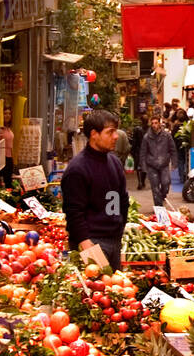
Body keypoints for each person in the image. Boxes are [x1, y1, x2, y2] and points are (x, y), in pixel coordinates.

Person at [60, 110, 129, 269]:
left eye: (116, 131)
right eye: (110, 132)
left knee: (115, 289)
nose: (116, 136)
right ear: (94, 134)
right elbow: (73, 212)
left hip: (114, 240)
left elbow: (123, 200)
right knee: (95, 291)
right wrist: (86, 244)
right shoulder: (77, 169)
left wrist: (119, 229)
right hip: (92, 242)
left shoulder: (114, 162)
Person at [139, 115, 177, 208]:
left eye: (156, 123)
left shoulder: (167, 136)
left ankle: (163, 196)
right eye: (152, 123)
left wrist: (174, 163)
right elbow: (143, 152)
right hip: (151, 165)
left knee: (166, 183)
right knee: (155, 187)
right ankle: (159, 208)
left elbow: (173, 149)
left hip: (164, 164)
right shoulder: (147, 137)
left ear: (160, 123)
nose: (154, 125)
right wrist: (143, 166)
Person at [0, 106, 16, 184]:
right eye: (5, 113)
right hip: (2, 158)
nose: (7, 115)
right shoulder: (0, 129)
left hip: (9, 158)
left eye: (9, 113)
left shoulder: (8, 128)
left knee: (9, 181)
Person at [131, 115, 148, 189]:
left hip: (139, 150)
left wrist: (132, 150)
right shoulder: (150, 129)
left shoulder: (137, 129)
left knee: (139, 166)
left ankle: (140, 182)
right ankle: (143, 181)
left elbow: (134, 141)